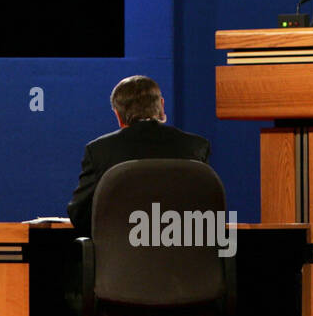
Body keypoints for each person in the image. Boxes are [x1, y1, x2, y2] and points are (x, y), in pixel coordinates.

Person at [67, 76, 210, 234]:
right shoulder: (196, 147)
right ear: (161, 105)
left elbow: (80, 215)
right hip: (187, 254)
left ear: (118, 115)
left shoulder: (99, 151)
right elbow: (208, 208)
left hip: (119, 255)